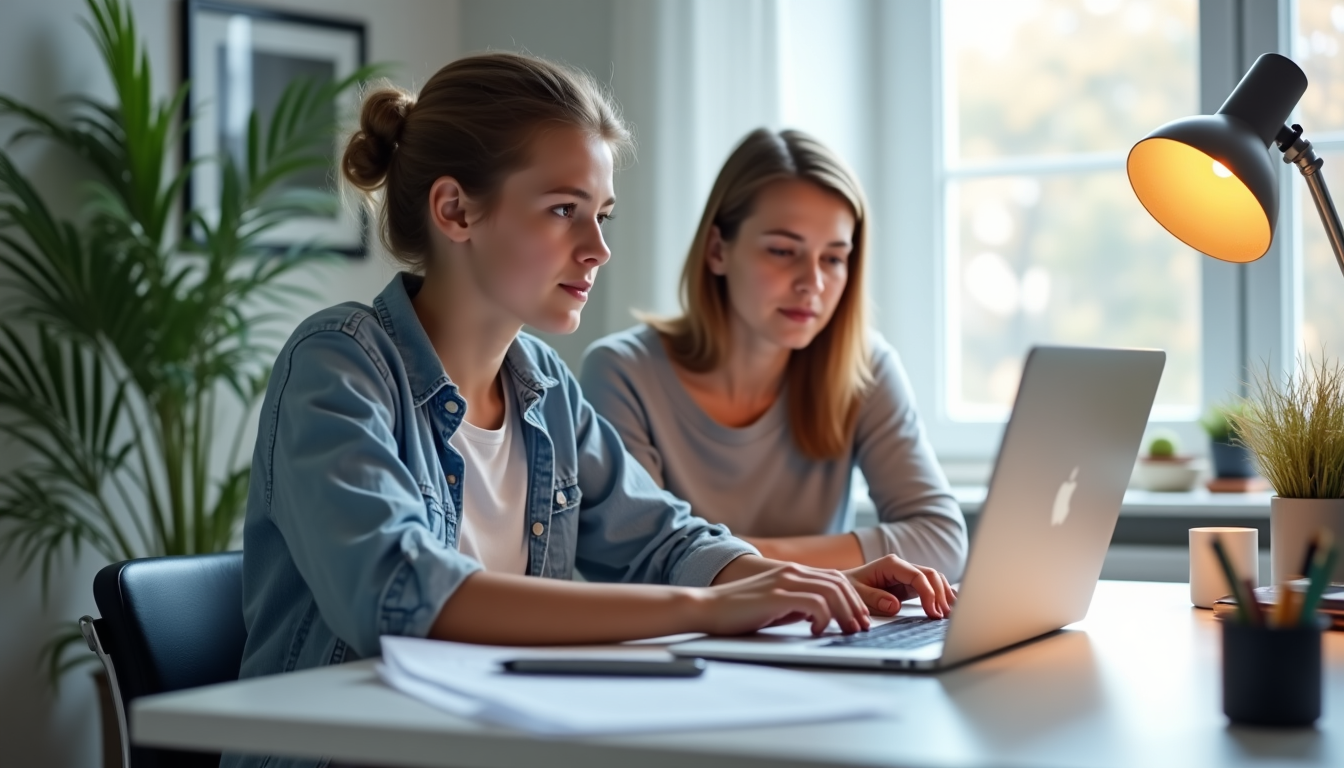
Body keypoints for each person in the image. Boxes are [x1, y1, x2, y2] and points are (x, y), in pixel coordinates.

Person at [228, 55, 957, 768]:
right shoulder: (340, 362)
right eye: (563, 211)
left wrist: (784, 583)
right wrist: (705, 609)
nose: (598, 248)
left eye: (601, 215)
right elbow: (397, 594)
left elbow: (664, 539)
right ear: (455, 210)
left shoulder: (542, 383)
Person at [580, 128, 967, 577]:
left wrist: (725, 554)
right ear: (717, 251)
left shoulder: (865, 366)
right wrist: (742, 561)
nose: (813, 283)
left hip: (822, 635)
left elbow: (942, 540)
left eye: (834, 258)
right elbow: (642, 561)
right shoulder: (622, 373)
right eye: (783, 251)